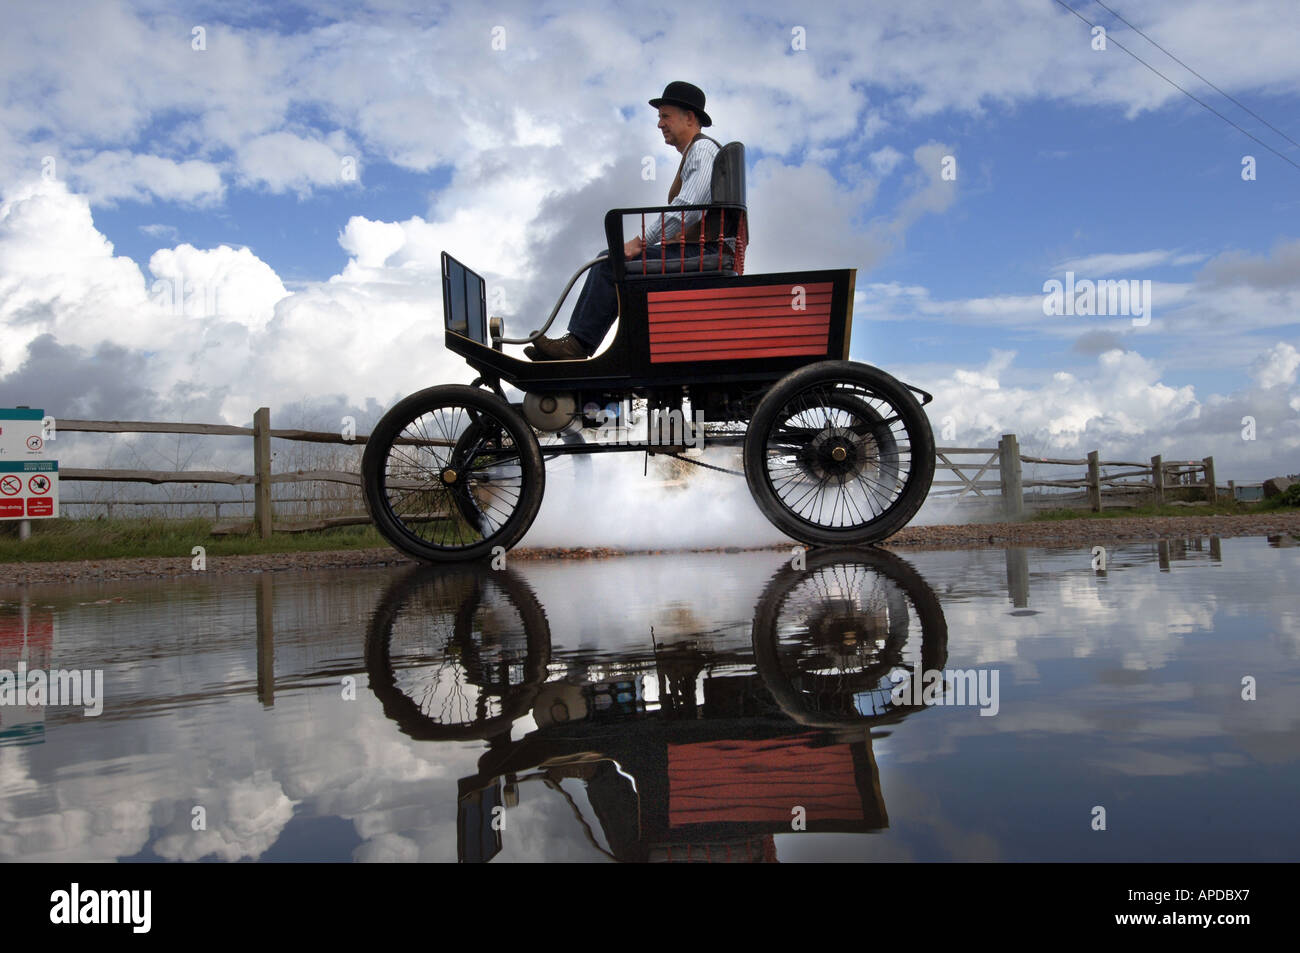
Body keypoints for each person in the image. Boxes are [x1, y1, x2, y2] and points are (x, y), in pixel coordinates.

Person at [525, 81, 721, 361]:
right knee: (611, 260)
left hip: (703, 254)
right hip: (700, 251)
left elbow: (687, 209)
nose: (659, 124)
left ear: (689, 117)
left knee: (608, 263)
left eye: (665, 116)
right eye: (659, 117)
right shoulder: (696, 153)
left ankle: (577, 346)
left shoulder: (702, 151)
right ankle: (589, 344)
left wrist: (641, 242)